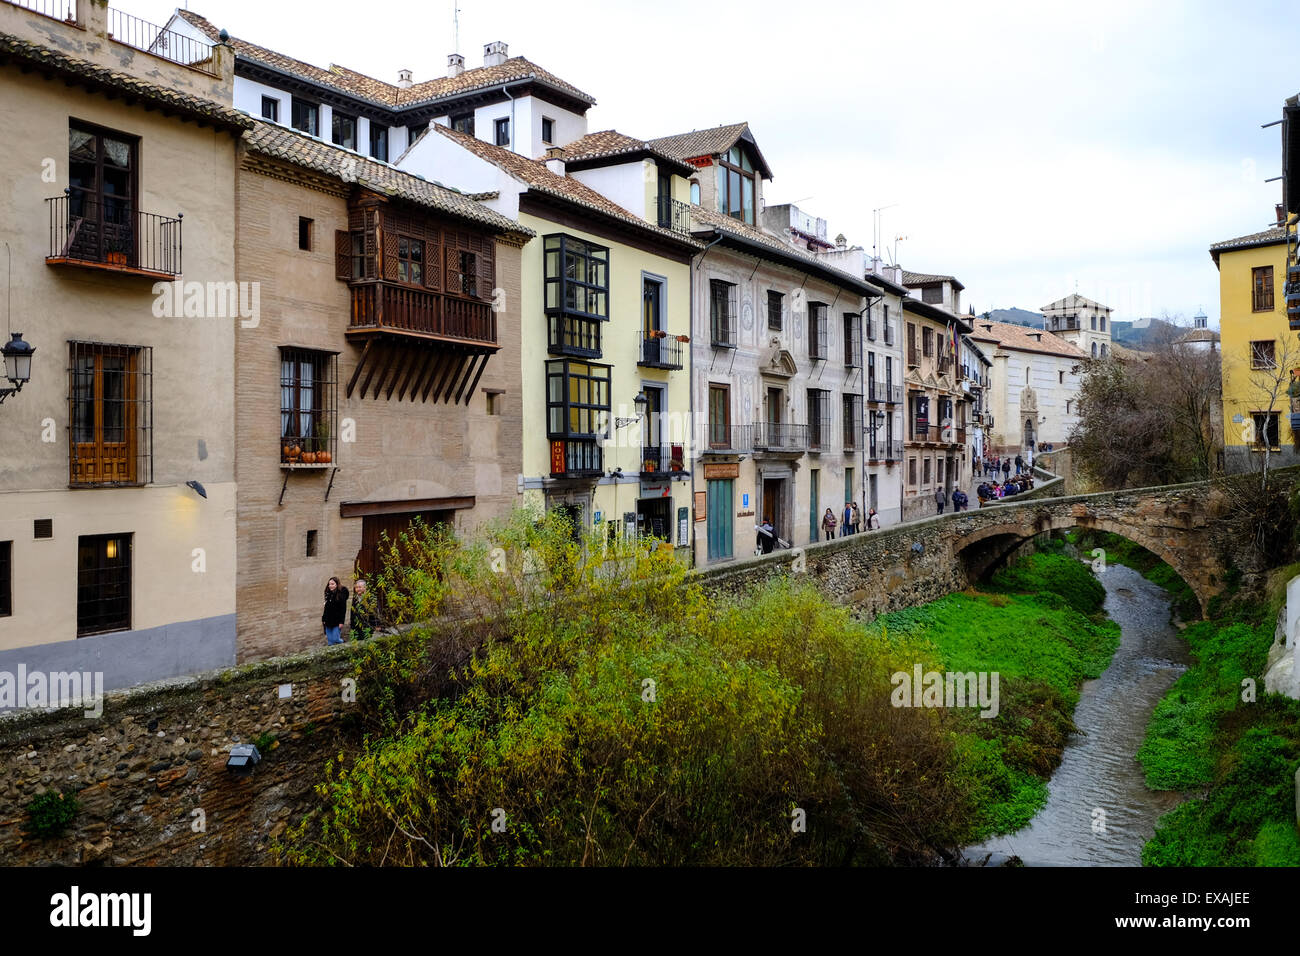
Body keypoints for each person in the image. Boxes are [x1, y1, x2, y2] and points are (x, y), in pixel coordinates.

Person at [322, 576, 349, 645]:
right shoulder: (328, 594)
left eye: (332, 584)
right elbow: (326, 609)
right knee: (330, 641)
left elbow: (343, 609)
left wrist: (341, 622)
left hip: (336, 621)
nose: (330, 586)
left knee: (335, 639)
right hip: (328, 621)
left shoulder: (341, 595)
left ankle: (343, 643)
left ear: (337, 584)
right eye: (329, 584)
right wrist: (324, 619)